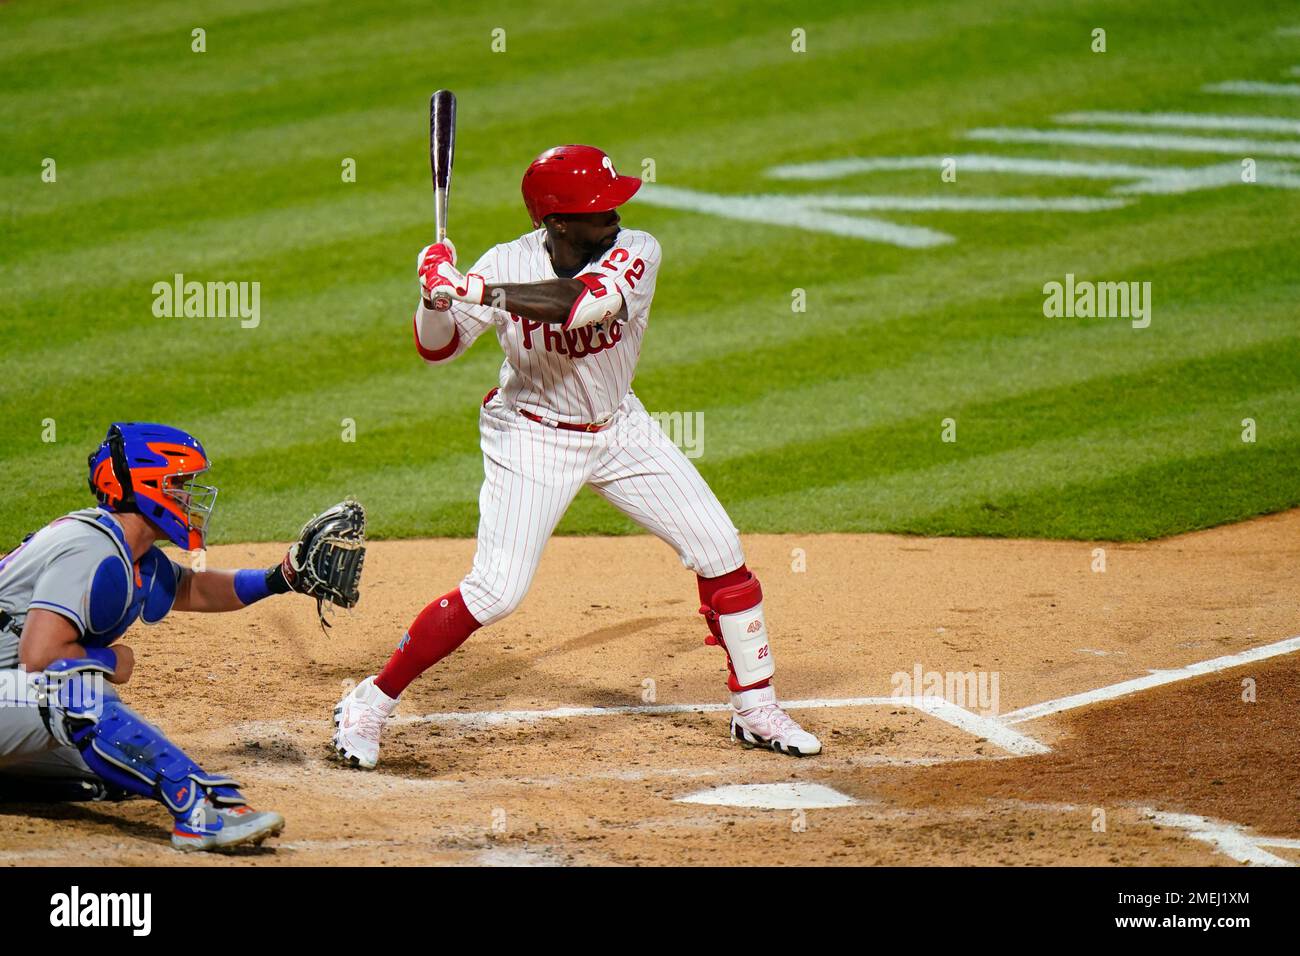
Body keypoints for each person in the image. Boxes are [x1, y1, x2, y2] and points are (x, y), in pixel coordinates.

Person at [333, 145, 820, 770]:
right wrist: (435, 299)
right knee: (496, 592)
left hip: (620, 428)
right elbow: (440, 349)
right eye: (599, 207)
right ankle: (368, 703)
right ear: (557, 220)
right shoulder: (508, 260)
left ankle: (755, 708)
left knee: (721, 547)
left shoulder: (637, 250)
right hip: (529, 436)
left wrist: (472, 286)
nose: (615, 214)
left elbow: (581, 305)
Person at [0, 422, 341, 851]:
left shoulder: (129, 552)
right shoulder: (90, 547)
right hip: (10, 690)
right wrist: (114, 662)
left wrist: (281, 577)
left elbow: (191, 587)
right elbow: (41, 657)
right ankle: (199, 810)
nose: (189, 497)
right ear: (146, 486)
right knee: (76, 693)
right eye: (179, 484)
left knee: (125, 753)